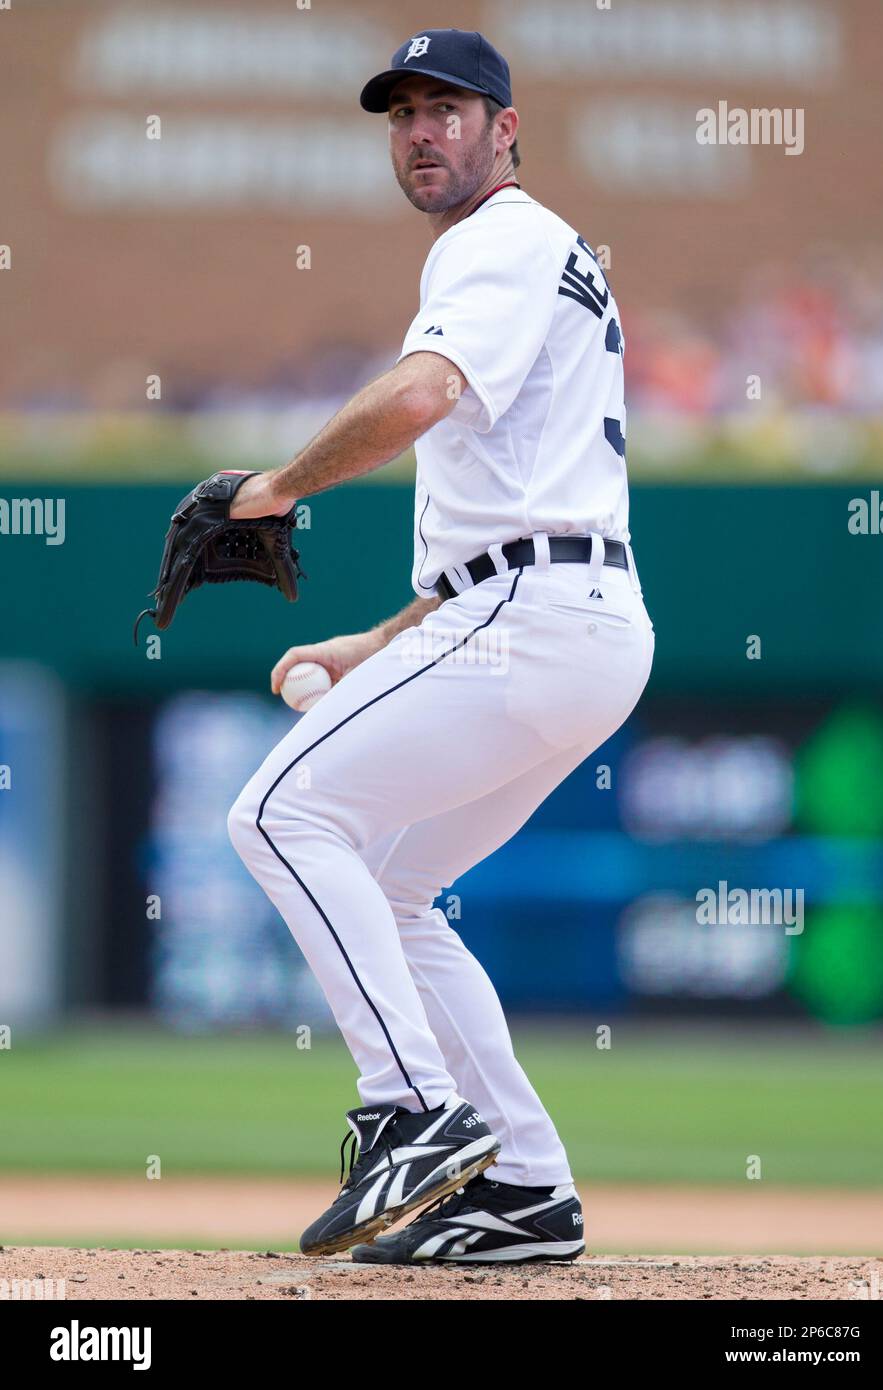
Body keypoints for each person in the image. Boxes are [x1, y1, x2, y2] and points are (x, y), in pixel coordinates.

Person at [227, 28, 654, 1264]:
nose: (422, 130)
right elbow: (514, 511)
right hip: (558, 619)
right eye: (404, 112)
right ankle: (525, 1189)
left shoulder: (500, 238)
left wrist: (275, 487)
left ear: (505, 128)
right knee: (398, 889)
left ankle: (411, 1108)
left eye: (450, 108)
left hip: (527, 622)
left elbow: (419, 398)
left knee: (276, 815)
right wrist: (379, 639)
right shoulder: (534, 253)